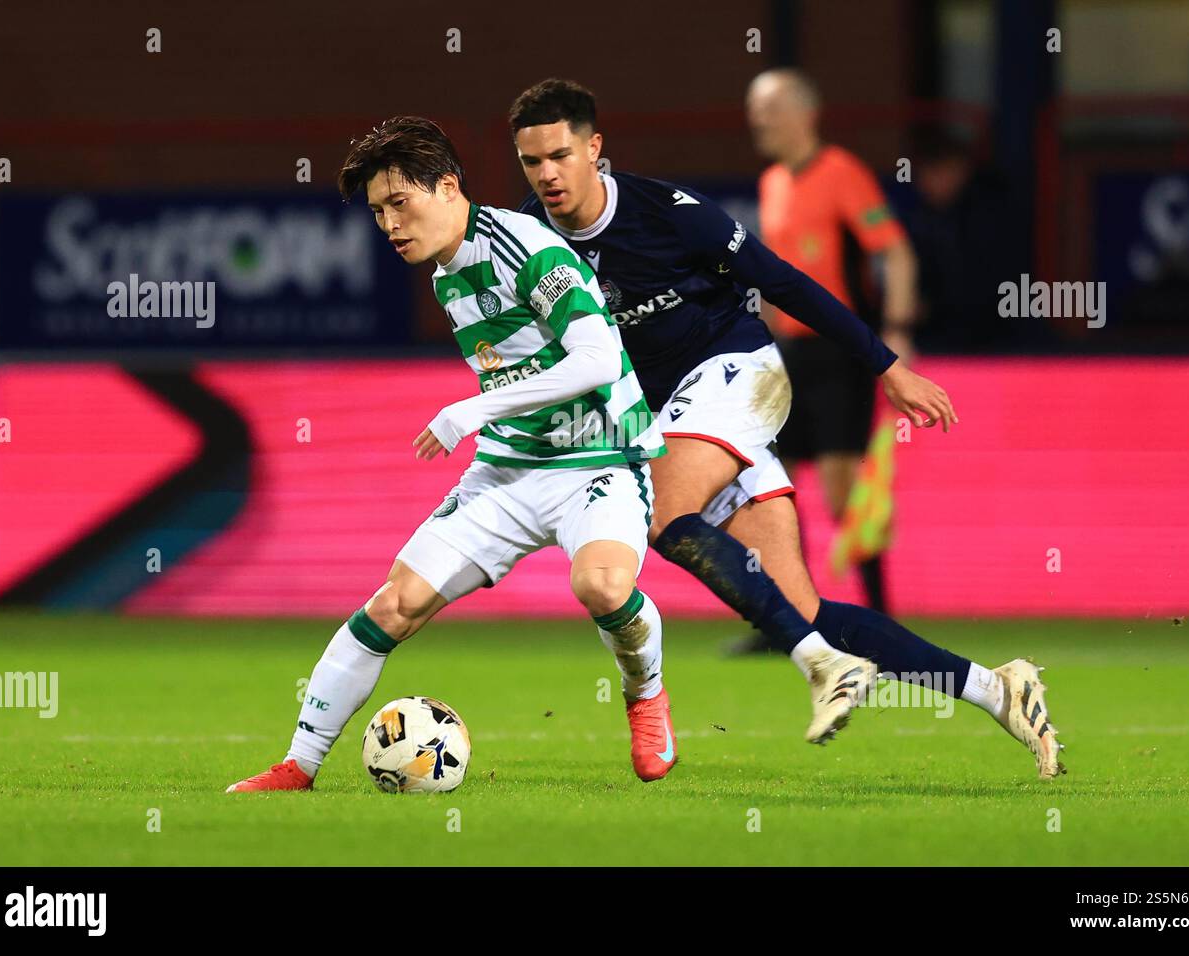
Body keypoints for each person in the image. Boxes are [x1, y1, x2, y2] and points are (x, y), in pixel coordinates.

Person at [509, 79, 1064, 778]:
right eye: (532, 162)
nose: (548, 174)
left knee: (662, 512)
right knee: (802, 608)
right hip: (673, 414)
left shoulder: (672, 215)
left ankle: (821, 667)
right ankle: (997, 687)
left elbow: (788, 284)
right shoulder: (530, 235)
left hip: (738, 371)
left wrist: (886, 363)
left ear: (595, 149)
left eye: (560, 154)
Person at [228, 116, 675, 791]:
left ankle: (646, 694)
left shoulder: (524, 245)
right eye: (378, 212)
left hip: (600, 458)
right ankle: (299, 764)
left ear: (446, 187)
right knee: (392, 606)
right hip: (508, 471)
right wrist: (491, 417)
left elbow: (597, 356)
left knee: (602, 586)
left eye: (399, 203)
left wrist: (473, 408)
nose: (389, 225)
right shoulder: (445, 274)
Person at [747, 68, 919, 617]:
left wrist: (897, 331)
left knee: (843, 493)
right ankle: (785, 617)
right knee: (776, 493)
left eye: (770, 108)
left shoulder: (842, 173)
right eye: (756, 109)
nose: (759, 120)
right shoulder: (772, 181)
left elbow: (895, 252)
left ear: (805, 112)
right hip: (788, 356)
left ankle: (882, 615)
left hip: (840, 353)